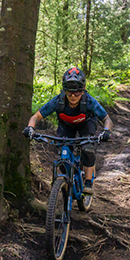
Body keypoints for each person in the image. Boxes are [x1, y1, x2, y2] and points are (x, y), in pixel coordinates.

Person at [23, 67, 114, 195]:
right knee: (63, 154)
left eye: (77, 92)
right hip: (66, 126)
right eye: (69, 92)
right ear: (64, 91)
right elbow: (36, 116)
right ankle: (66, 181)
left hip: (86, 124)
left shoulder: (89, 101)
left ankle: (88, 182)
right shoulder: (57, 101)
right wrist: (30, 127)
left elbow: (107, 119)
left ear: (83, 91)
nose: (72, 95)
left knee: (88, 149)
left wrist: (106, 131)